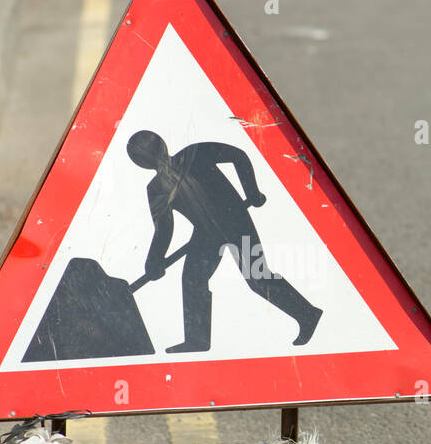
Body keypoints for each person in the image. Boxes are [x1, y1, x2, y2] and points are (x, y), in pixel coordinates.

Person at [127, 130, 322, 354]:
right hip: (206, 234)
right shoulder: (161, 184)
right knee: (193, 279)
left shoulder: (195, 154)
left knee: (257, 278)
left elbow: (238, 156)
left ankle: (308, 314)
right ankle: (197, 341)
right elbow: (164, 228)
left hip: (235, 221)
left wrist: (252, 192)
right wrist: (154, 261)